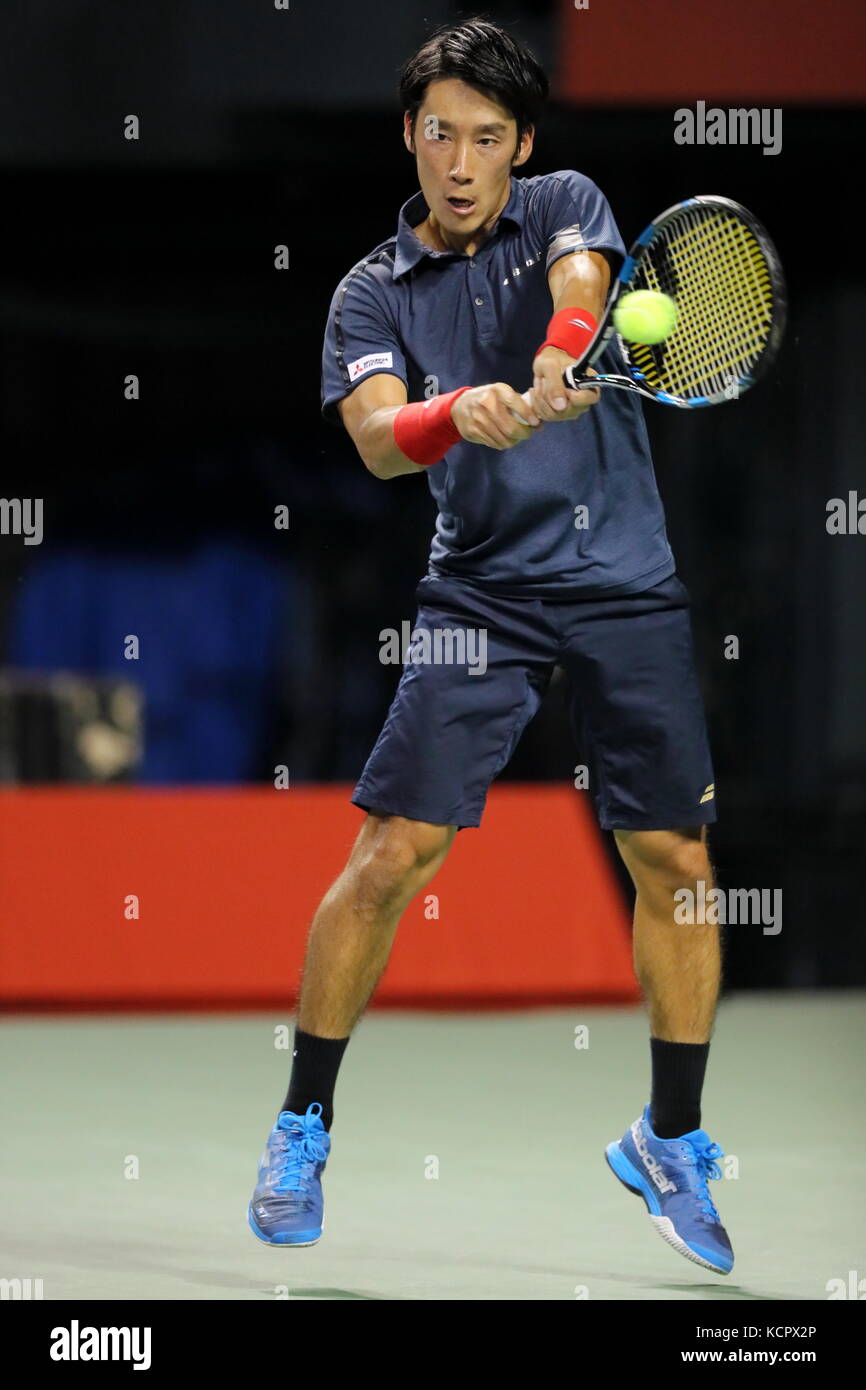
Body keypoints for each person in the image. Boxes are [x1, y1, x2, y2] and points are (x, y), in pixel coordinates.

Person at [248, 17, 731, 1276]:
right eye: (437, 132)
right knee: (389, 852)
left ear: (522, 146)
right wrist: (461, 411)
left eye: (484, 137)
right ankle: (302, 1118)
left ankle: (666, 1138)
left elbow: (581, 288)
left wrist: (558, 360)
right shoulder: (367, 289)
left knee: (673, 854)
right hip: (480, 597)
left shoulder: (567, 202)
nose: (458, 160)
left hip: (623, 583)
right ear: (409, 135)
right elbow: (368, 436)